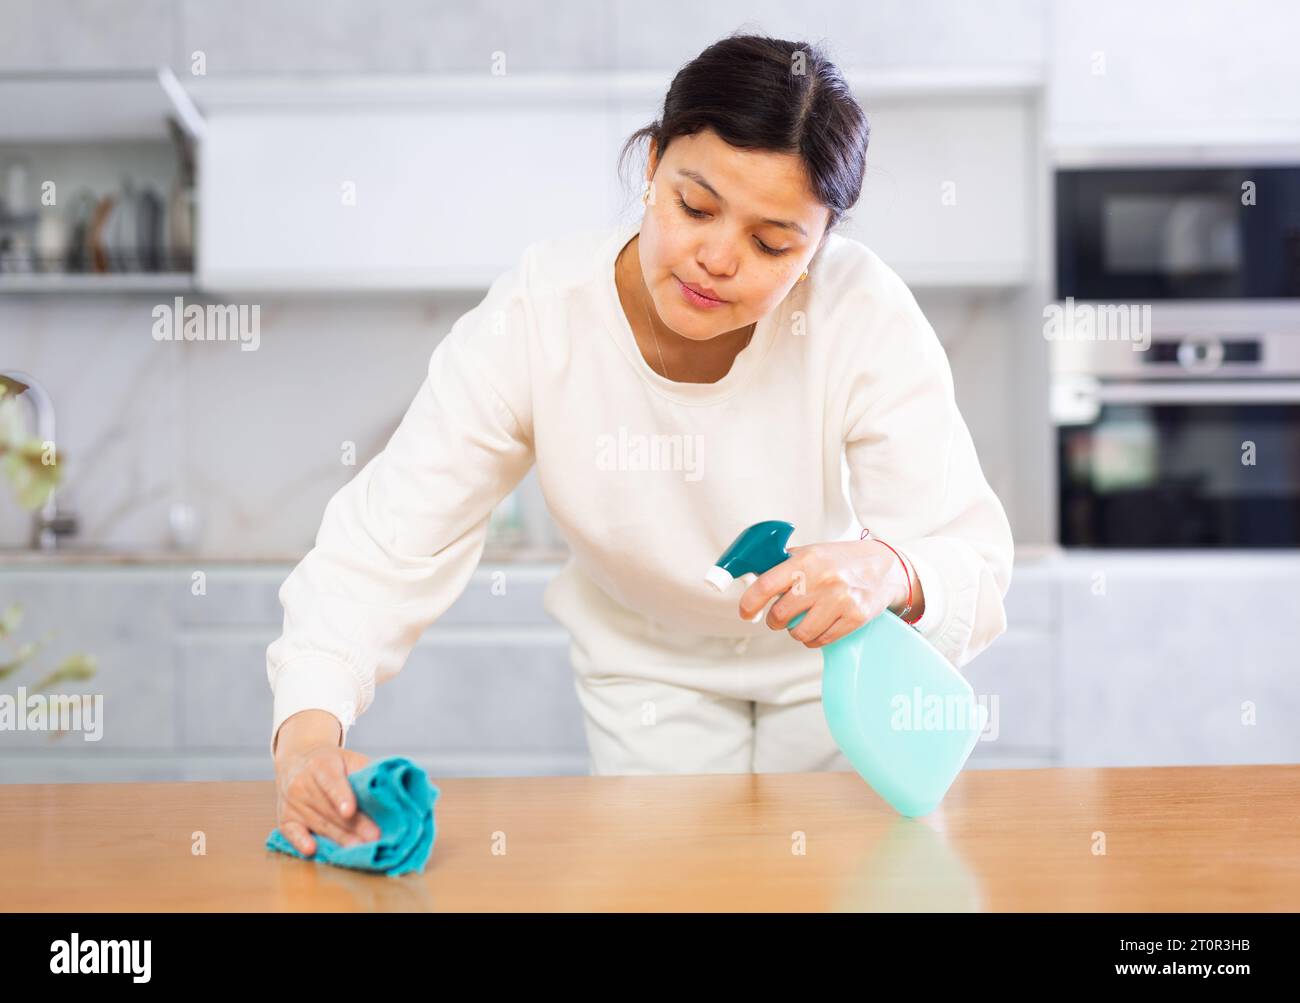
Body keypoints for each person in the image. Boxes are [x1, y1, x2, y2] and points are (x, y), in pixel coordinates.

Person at [268, 33, 1014, 856]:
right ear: (653, 163)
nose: (717, 258)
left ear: (818, 250)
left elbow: (970, 560)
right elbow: (389, 539)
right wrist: (308, 734)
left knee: (850, 881)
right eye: (695, 207)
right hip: (649, 676)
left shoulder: (860, 312)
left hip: (840, 670)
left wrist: (893, 568)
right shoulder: (542, 314)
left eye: (773, 244)